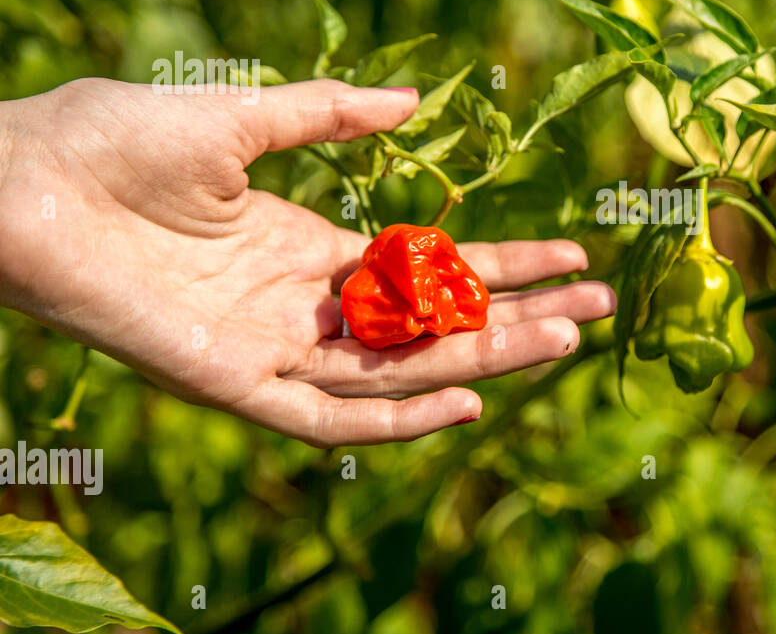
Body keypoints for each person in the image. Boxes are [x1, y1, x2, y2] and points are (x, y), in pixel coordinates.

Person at [0, 78, 617, 446]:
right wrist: (33, 157)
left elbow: (442, 296)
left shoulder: (388, 276)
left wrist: (24, 161)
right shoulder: (385, 276)